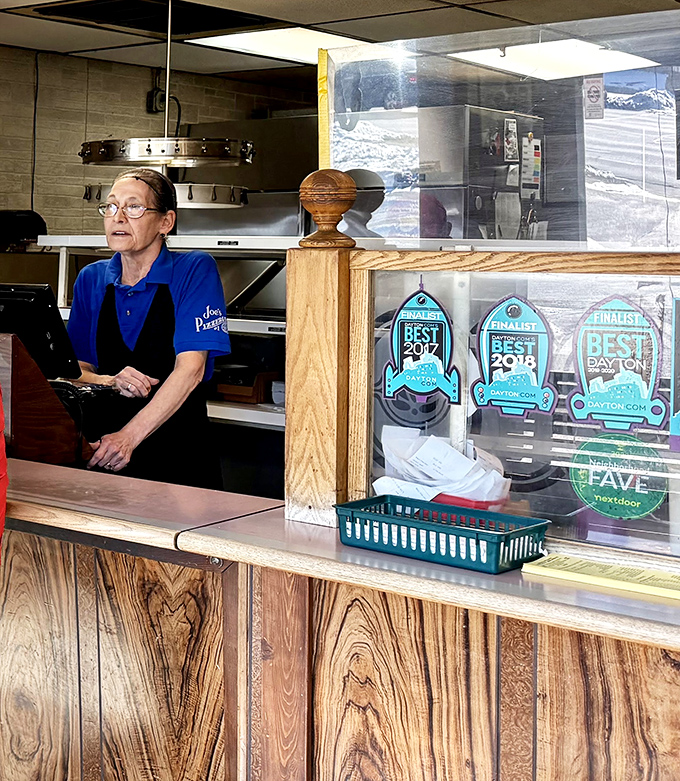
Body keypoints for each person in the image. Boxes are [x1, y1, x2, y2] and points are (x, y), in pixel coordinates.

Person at [67, 168, 230, 488]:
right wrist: (108, 381)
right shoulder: (91, 278)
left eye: (134, 207)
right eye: (111, 206)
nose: (118, 217)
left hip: (179, 459)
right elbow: (75, 371)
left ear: (165, 222)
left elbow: (191, 370)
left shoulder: (194, 270)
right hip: (105, 454)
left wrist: (128, 438)